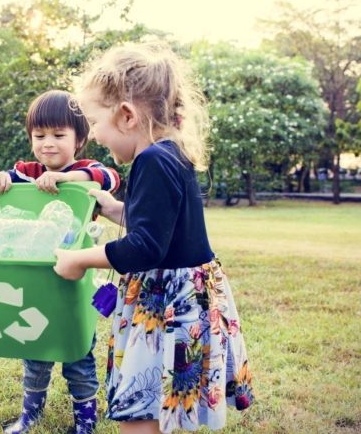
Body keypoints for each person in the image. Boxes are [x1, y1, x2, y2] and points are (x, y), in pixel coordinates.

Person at [53, 42, 254, 434]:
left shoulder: (151, 160)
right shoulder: (170, 152)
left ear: (126, 116)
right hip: (186, 298)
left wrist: (78, 259)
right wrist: (113, 208)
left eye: (94, 123)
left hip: (165, 305)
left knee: (141, 415)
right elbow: (162, 227)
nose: (93, 136)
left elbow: (145, 247)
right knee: (158, 411)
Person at [0, 90, 120, 434]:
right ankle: (31, 415)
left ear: (80, 139)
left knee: (78, 355)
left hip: (76, 283)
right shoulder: (29, 172)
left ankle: (85, 422)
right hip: (35, 281)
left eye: (59, 135)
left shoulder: (86, 172)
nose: (48, 144)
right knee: (35, 347)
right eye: (39, 136)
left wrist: (65, 177)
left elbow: (109, 177)